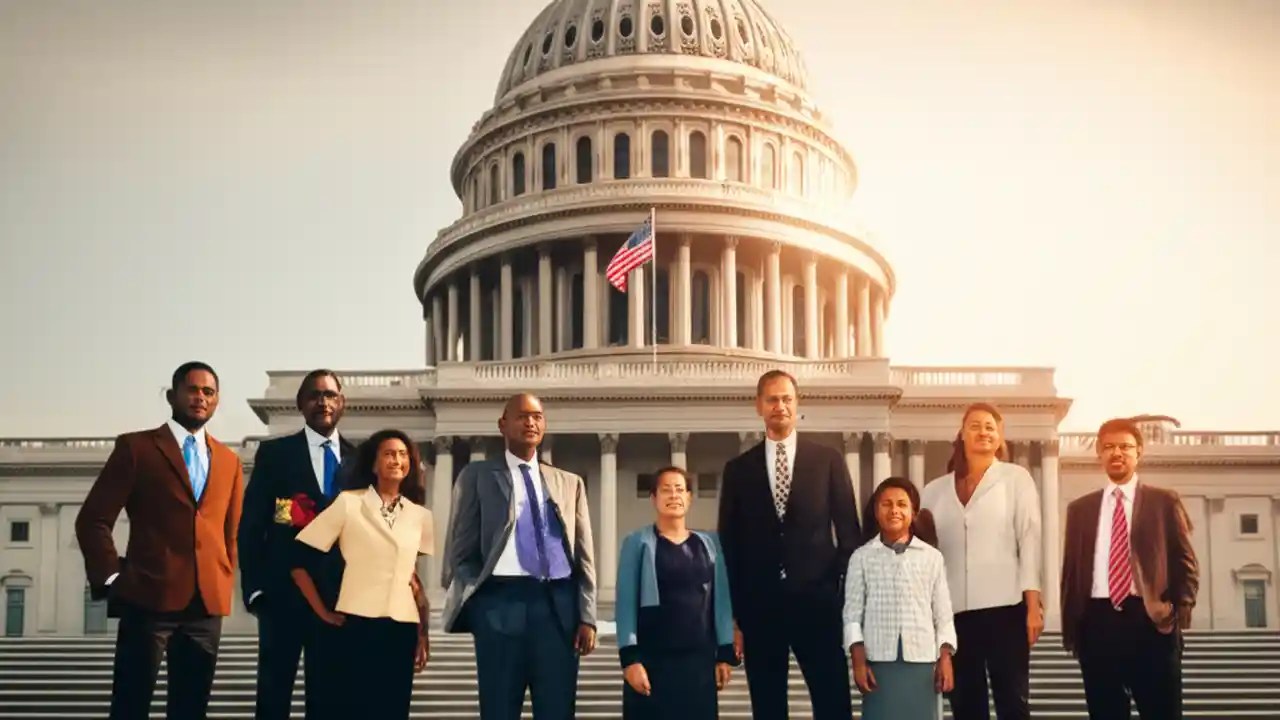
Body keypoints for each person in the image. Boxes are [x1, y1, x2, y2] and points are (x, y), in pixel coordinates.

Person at [74, 361, 245, 720]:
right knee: (130, 706)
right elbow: (93, 519)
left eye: (209, 392)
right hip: (147, 599)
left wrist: (223, 578)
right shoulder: (137, 448)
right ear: (172, 395)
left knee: (190, 709)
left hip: (205, 607)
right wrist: (112, 579)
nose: (200, 397)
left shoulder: (230, 461)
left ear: (216, 402)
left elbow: (231, 533)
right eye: (192, 389)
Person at [440, 393, 598, 720]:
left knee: (557, 709)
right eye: (522, 416)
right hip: (501, 603)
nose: (530, 422)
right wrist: (482, 606)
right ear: (503, 424)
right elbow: (461, 549)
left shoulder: (569, 483)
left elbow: (584, 556)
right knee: (499, 708)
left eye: (537, 416)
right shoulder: (477, 476)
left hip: (557, 608)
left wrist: (587, 614)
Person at [716, 369, 861, 720]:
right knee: (767, 707)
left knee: (833, 703)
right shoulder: (738, 469)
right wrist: (733, 617)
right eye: (772, 399)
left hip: (818, 606)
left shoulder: (827, 461)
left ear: (797, 405)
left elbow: (849, 534)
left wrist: (840, 595)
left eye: (786, 399)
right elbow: (728, 546)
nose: (779, 406)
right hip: (760, 610)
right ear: (758, 406)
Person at [1060, 417, 1198, 719]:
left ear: (1139, 452)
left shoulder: (1164, 502)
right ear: (1098, 453)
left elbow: (1186, 563)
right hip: (1097, 625)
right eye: (1108, 447)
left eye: (1125, 446)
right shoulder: (1080, 509)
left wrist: (1175, 613)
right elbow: (1071, 572)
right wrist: (1074, 628)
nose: (1117, 453)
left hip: (1150, 622)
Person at [291, 428, 433, 720]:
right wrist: (322, 611)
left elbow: (412, 577)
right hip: (356, 624)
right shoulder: (348, 503)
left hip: (402, 628)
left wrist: (423, 632)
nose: (397, 460)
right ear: (373, 464)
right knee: (354, 709)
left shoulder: (421, 516)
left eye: (403, 454)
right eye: (389, 454)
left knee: (393, 710)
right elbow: (298, 561)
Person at [238, 369, 355, 720]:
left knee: (328, 699)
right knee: (274, 696)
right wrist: (255, 590)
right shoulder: (276, 454)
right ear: (301, 404)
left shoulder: (359, 460)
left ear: (342, 403)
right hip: (282, 596)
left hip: (337, 601)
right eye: (315, 395)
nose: (323, 402)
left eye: (331, 395)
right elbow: (254, 524)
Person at [919, 402, 1042, 720]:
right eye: (975, 425)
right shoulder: (933, 491)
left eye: (990, 426)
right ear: (961, 434)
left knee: (1012, 703)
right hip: (954, 614)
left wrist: (1032, 606)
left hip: (1006, 608)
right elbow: (924, 556)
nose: (983, 431)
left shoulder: (1016, 479)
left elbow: (1028, 540)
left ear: (1000, 437)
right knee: (966, 706)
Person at [616, 466, 739, 720]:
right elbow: (626, 604)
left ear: (689, 497)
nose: (674, 495)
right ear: (653, 498)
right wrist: (630, 660)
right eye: (666, 490)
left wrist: (724, 653)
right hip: (652, 662)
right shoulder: (637, 543)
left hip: (698, 664)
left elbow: (722, 600)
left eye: (680, 489)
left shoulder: (710, 544)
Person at [845, 477, 957, 720]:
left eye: (901, 504)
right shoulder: (861, 558)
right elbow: (852, 615)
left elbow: (943, 613)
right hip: (878, 662)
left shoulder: (932, 558)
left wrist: (945, 657)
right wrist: (858, 661)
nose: (894, 510)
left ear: (913, 511)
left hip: (923, 662)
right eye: (886, 504)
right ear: (876, 511)